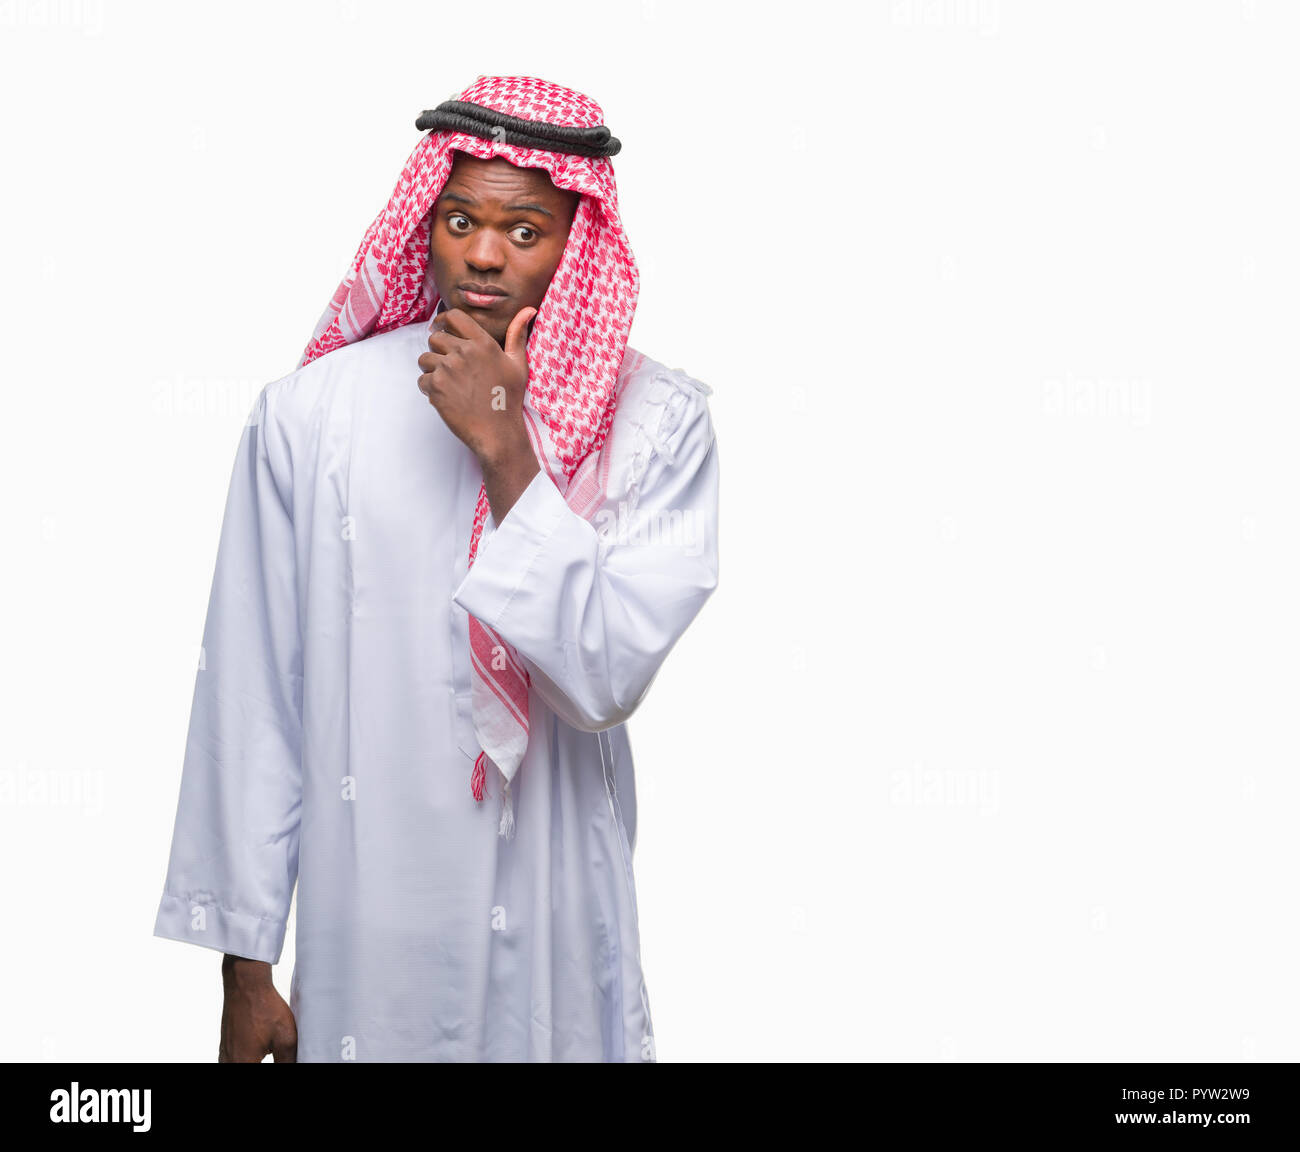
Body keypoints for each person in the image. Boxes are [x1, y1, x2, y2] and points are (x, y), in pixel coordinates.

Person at [151, 74, 720, 1063]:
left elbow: (607, 675)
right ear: (428, 224)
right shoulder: (307, 415)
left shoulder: (657, 423)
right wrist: (246, 968)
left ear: (577, 240)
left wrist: (506, 451)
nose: (486, 252)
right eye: (460, 219)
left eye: (525, 229)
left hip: (554, 915)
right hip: (366, 925)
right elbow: (252, 700)